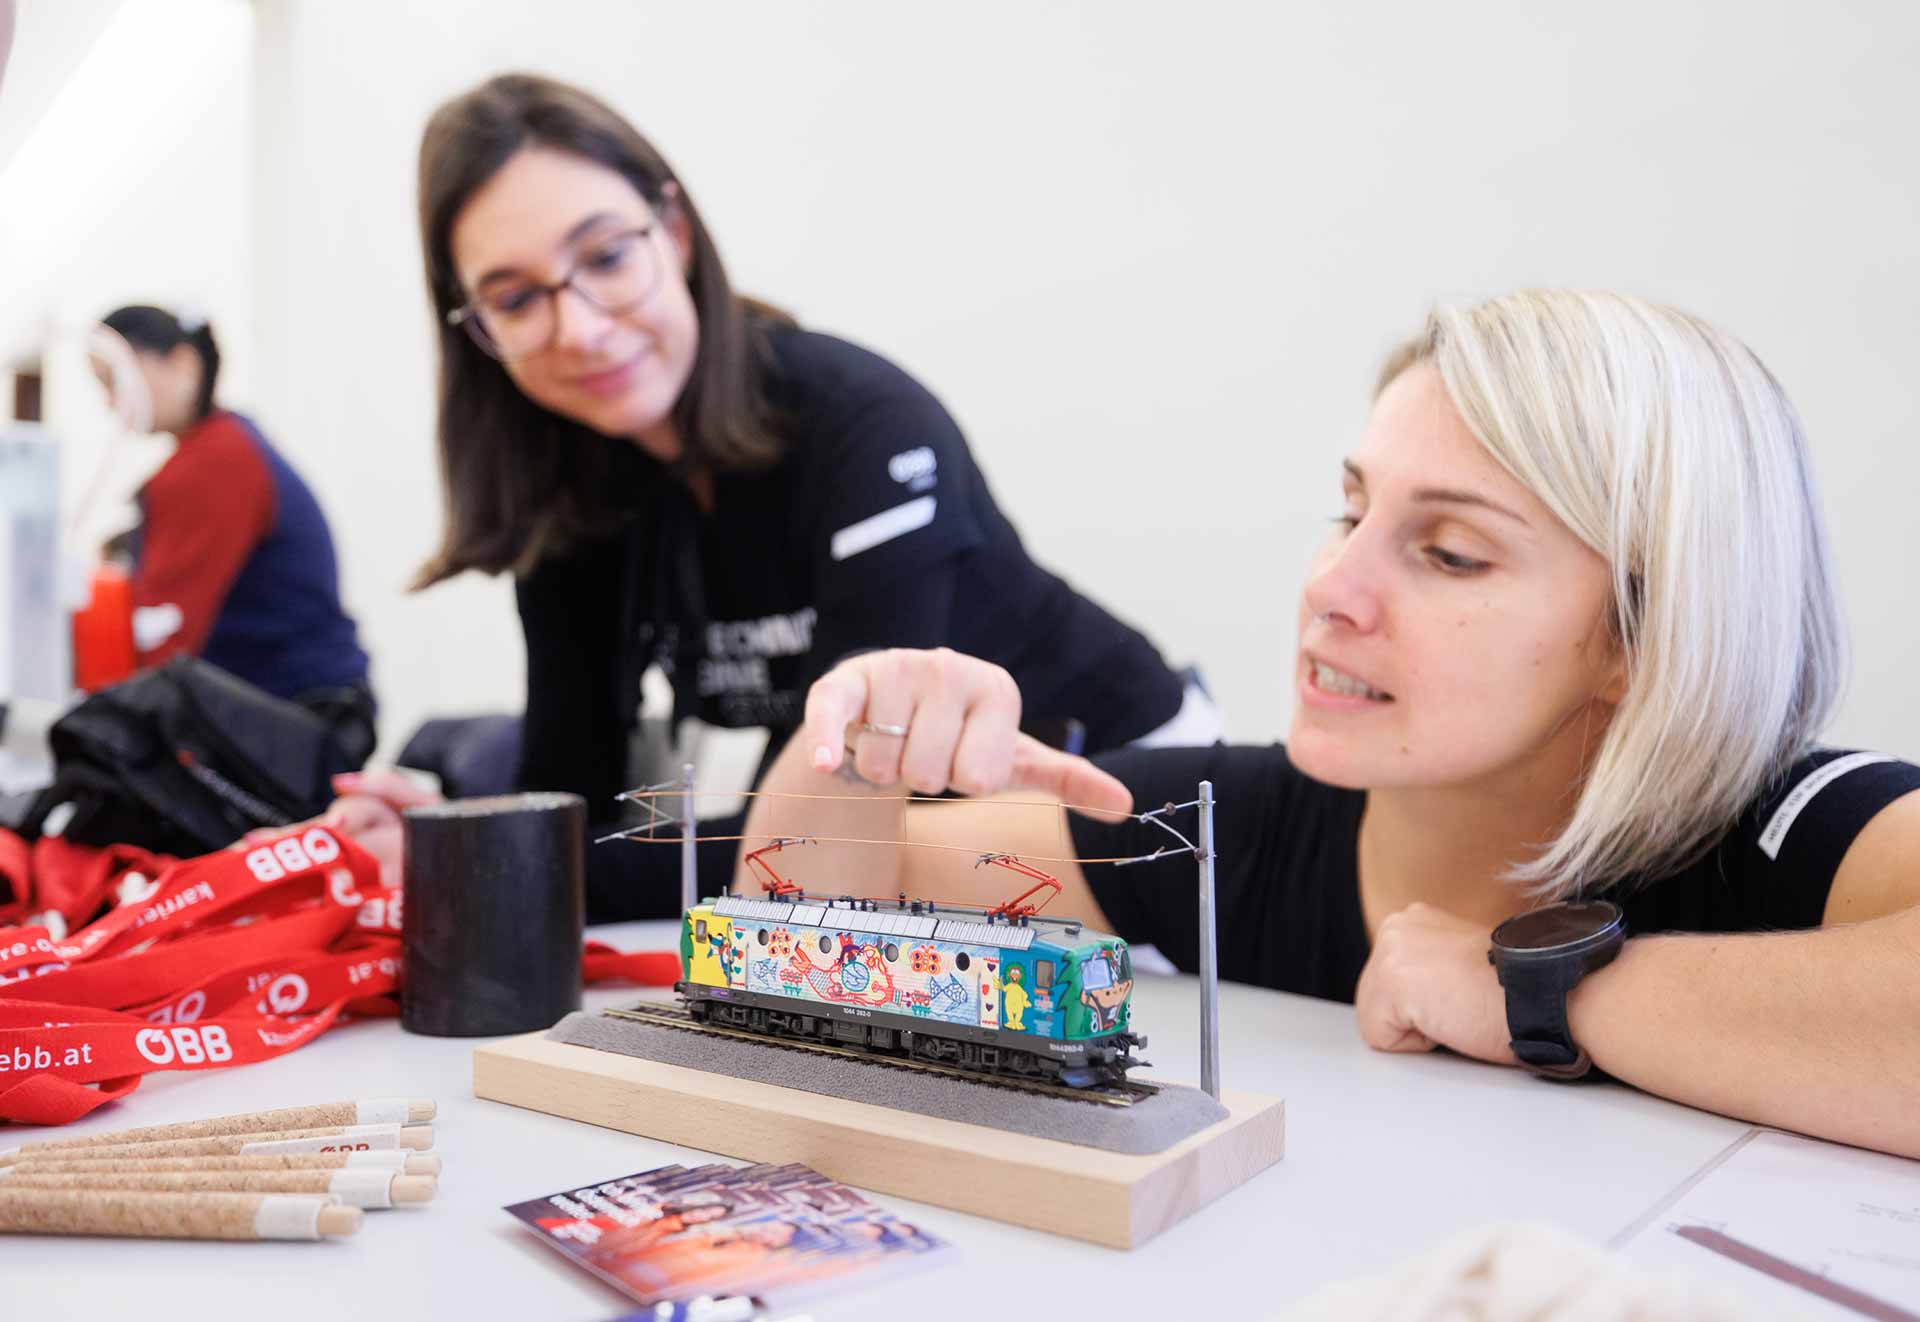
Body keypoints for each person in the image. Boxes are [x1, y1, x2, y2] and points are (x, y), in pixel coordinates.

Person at [746, 290, 1920, 1159]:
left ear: (1639, 635)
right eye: (1347, 511)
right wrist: (852, 740)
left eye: (1449, 552)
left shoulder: (1799, 825)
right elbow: (792, 927)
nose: (1332, 586)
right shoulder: (1225, 822)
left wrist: (1542, 993)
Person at [388, 73, 1216, 918]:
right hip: (926, 856)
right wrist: (456, 843)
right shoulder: (572, 499)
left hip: (1120, 793)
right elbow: (569, 802)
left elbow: (823, 831)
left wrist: (480, 866)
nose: (582, 328)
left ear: (673, 233)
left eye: (605, 257)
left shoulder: (865, 425)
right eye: (517, 298)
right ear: (475, 327)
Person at [98, 306, 376, 766]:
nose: (111, 402)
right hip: (313, 716)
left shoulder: (211, 464)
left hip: (285, 729)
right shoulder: (227, 445)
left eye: (114, 380)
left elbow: (164, 634)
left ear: (184, 363)